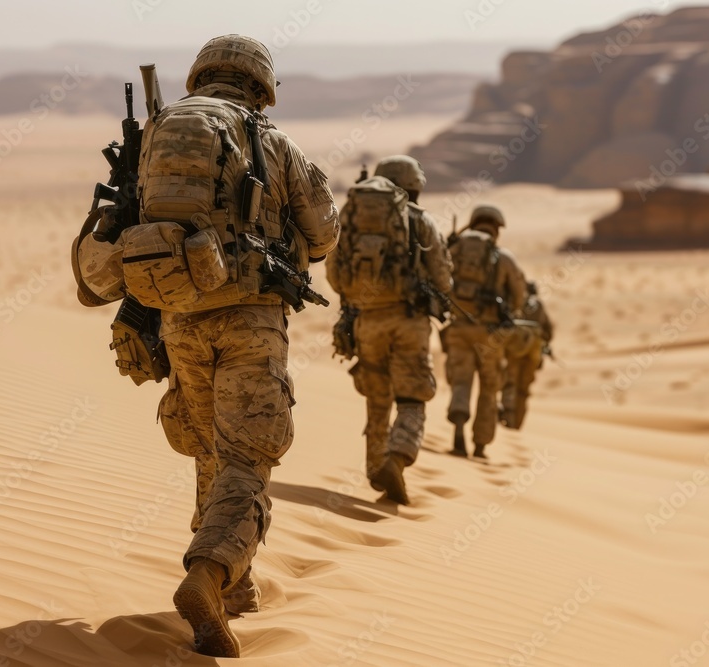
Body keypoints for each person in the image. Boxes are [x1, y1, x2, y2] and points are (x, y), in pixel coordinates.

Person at [143, 35, 339, 658]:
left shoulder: (156, 133)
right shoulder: (272, 141)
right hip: (250, 319)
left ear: (202, 75)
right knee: (248, 459)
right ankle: (210, 572)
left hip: (178, 317)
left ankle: (238, 585)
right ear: (261, 87)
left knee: (209, 449)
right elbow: (324, 232)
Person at [325, 156, 453, 504]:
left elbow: (335, 274)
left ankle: (376, 470)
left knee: (377, 398)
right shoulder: (420, 219)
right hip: (409, 320)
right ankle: (396, 459)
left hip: (366, 321)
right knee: (413, 395)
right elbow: (442, 277)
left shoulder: (352, 219)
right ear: (413, 185)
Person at [443, 205, 526, 459]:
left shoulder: (455, 250)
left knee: (461, 380)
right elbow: (519, 294)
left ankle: (458, 431)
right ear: (496, 229)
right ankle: (480, 445)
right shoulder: (503, 257)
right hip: (491, 334)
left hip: (458, 328)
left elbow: (437, 276)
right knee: (490, 388)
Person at [499, 281, 554, 430]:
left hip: (514, 353)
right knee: (523, 390)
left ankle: (507, 416)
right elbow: (549, 331)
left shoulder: (517, 302)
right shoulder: (539, 306)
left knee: (509, 384)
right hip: (532, 356)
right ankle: (517, 423)